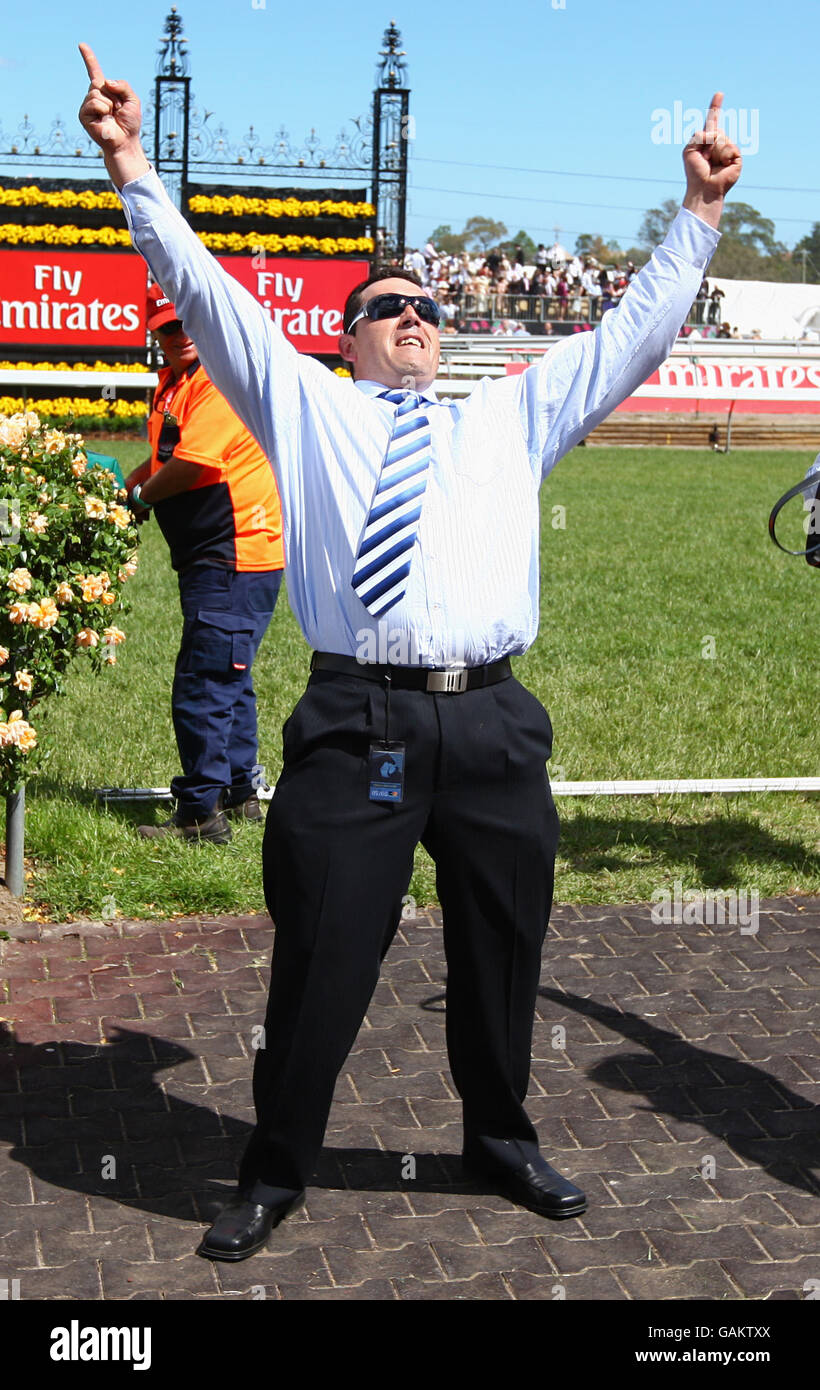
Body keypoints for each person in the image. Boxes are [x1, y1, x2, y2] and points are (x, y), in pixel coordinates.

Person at [78, 46, 741, 1261]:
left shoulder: (509, 415)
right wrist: (130, 161)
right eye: (392, 307)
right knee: (323, 959)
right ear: (348, 337)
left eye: (431, 306)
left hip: (491, 725)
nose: (419, 319)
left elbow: (631, 336)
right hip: (356, 725)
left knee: (502, 950)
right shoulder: (302, 405)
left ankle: (498, 1134)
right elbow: (205, 287)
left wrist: (697, 213)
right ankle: (276, 1166)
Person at [125, 282, 285, 844]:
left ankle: (200, 813)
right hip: (214, 556)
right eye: (169, 326)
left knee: (205, 682)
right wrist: (134, 481)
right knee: (228, 678)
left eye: (187, 321)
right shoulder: (175, 383)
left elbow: (193, 466)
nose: (181, 334)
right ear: (156, 334)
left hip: (235, 554)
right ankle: (240, 797)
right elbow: (167, 456)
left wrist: (142, 499)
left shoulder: (215, 378)